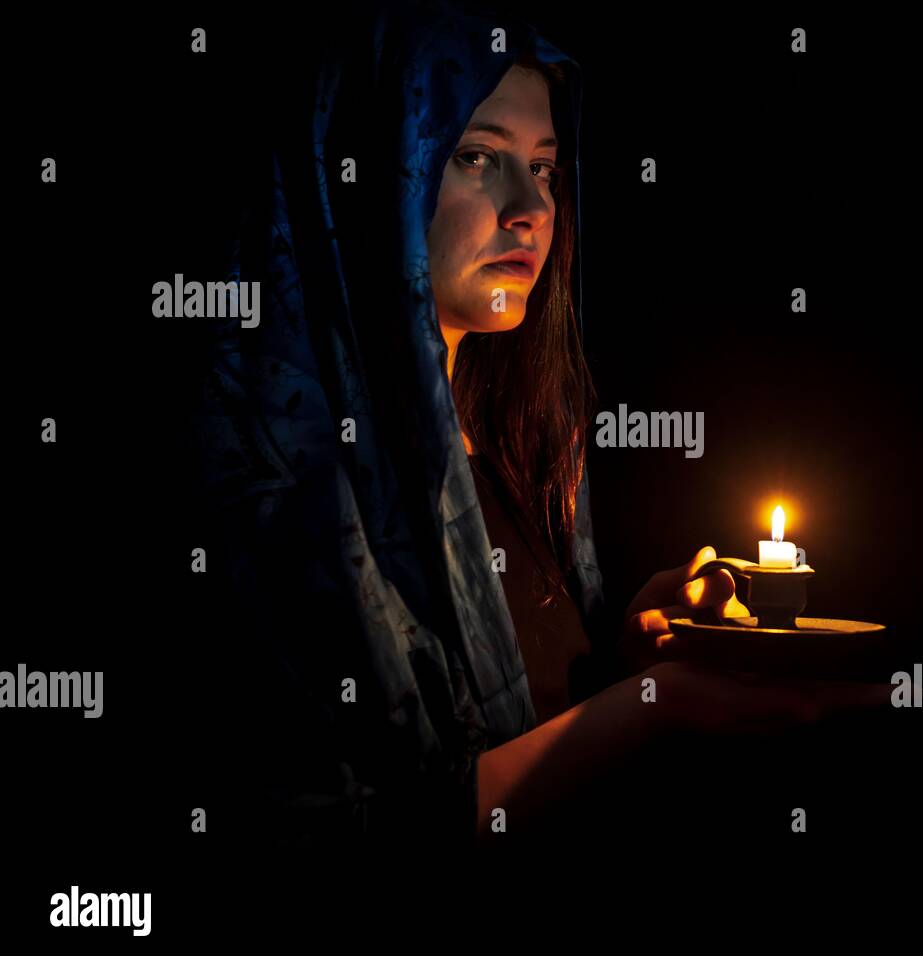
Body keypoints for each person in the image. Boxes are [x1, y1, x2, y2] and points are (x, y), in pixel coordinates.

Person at [192, 0, 886, 850]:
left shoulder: (508, 454)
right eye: (478, 157)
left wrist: (633, 657)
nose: (530, 208)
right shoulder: (276, 490)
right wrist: (651, 710)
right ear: (370, 174)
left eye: (547, 169)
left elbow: (519, 734)